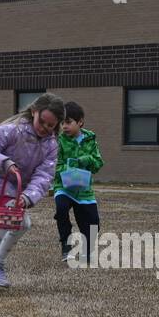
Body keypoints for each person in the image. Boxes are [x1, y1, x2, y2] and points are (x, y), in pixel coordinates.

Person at [0, 93, 63, 291]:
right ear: (34, 112)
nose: (45, 128)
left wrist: (27, 197)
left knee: (20, 225)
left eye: (50, 126)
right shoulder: (12, 130)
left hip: (16, 189)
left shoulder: (51, 146)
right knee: (16, 225)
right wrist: (5, 163)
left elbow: (44, 176)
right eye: (42, 122)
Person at [52, 102, 104, 262]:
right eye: (62, 123)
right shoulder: (58, 141)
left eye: (68, 122)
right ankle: (66, 245)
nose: (64, 126)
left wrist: (85, 160)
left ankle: (87, 251)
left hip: (84, 189)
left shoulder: (90, 140)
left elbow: (98, 163)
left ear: (80, 122)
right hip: (64, 186)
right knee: (61, 209)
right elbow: (54, 164)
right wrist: (67, 170)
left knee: (92, 221)